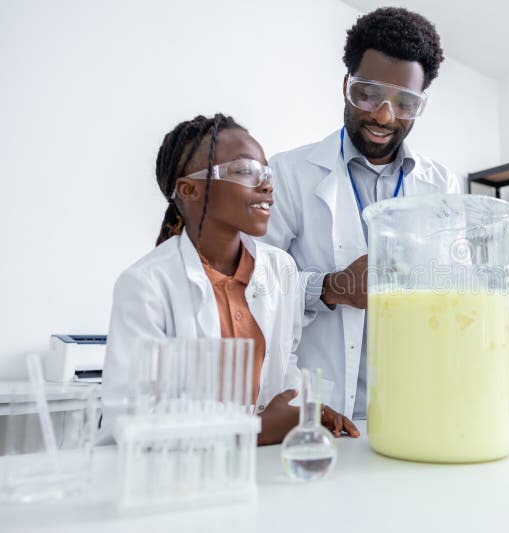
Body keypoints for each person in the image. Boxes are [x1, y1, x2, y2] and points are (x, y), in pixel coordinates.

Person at [101, 113, 359, 445]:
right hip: (170, 484)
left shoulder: (280, 269)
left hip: (261, 471)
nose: (266, 184)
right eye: (245, 171)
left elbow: (284, 369)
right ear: (190, 189)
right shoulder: (146, 285)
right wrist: (256, 429)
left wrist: (308, 411)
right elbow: (130, 424)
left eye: (266, 172)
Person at [264, 8, 461, 420]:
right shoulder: (288, 173)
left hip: (414, 404)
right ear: (346, 86)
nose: (384, 116)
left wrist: (479, 310)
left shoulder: (442, 186)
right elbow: (252, 289)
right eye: (368, 94)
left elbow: (452, 290)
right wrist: (332, 287)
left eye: (405, 102)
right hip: (321, 407)